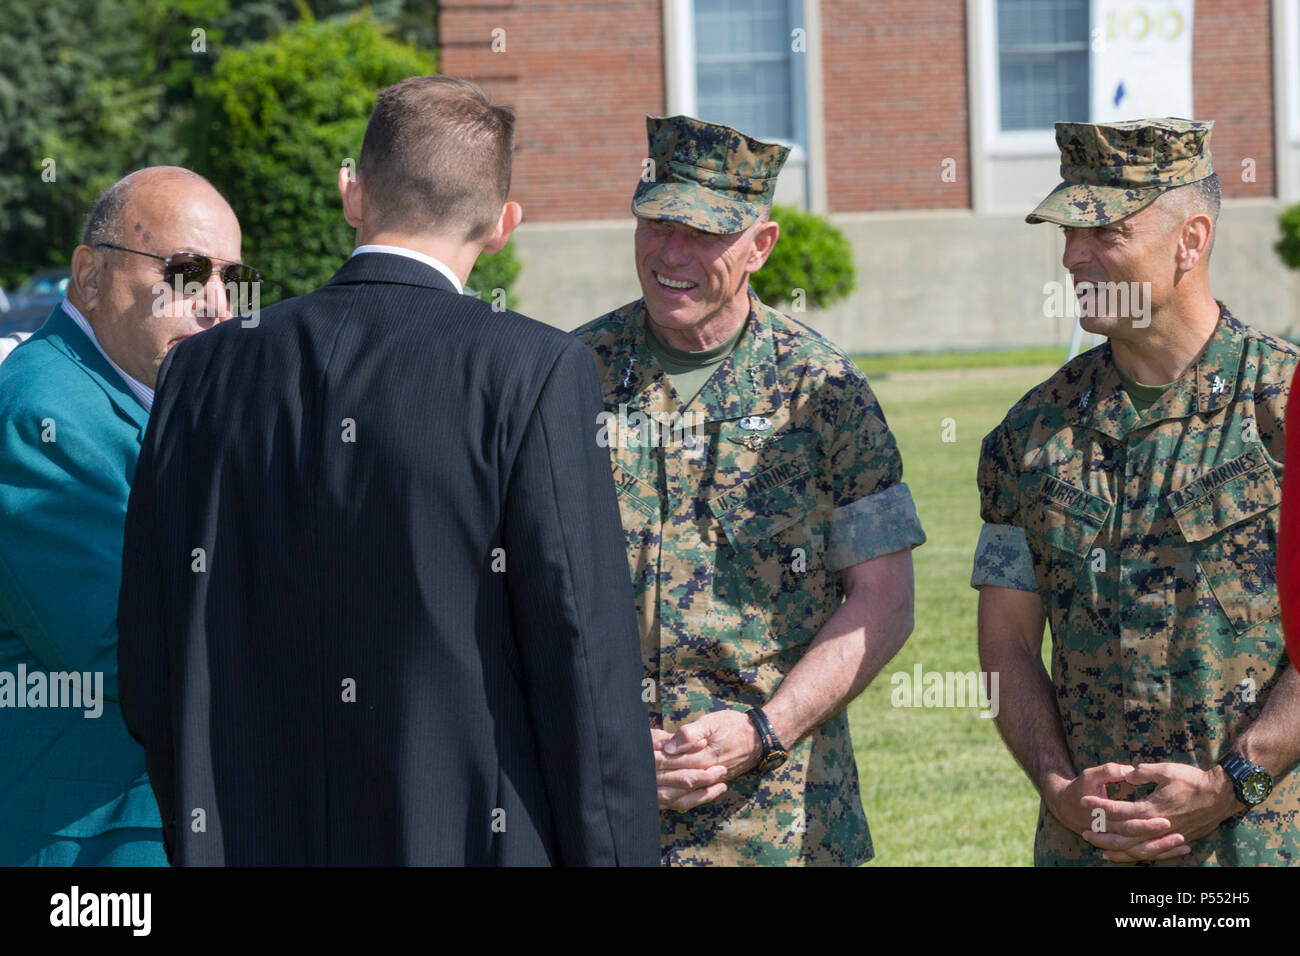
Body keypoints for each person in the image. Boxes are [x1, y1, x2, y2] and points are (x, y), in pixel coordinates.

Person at [117, 75, 660, 866]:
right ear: (504, 225)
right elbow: (580, 655)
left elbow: (151, 652)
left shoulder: (202, 371)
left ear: (351, 192)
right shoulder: (533, 369)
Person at [573, 115, 925, 866]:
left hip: (780, 824)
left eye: (703, 234)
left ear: (760, 246)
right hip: (601, 807)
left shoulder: (824, 391)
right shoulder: (569, 377)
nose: (671, 253)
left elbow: (884, 600)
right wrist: (602, 734)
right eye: (659, 222)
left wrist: (763, 730)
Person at [973, 118, 1300, 865]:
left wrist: (1233, 782)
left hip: (1261, 843)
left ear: (1190, 241)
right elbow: (1007, 642)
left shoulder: (1288, 408)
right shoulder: (1028, 436)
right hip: (1090, 847)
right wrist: (1059, 787)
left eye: (1105, 232)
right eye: (1067, 233)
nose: (1073, 256)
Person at [0, 166, 246, 865]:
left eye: (231, 276)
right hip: (91, 843)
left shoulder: (133, 399)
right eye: (187, 271)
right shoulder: (42, 413)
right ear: (89, 276)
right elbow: (118, 643)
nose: (216, 305)